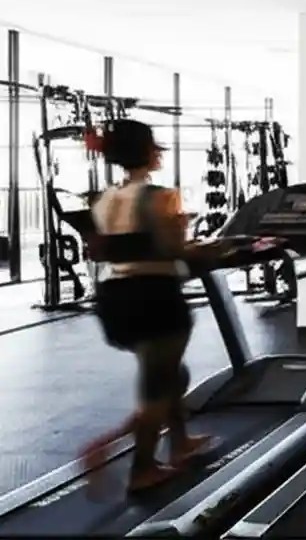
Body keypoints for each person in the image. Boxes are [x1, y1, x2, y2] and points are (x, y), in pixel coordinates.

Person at [79, 120, 221, 491]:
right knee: (157, 387)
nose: (159, 152)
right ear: (144, 152)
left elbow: (107, 249)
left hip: (116, 297)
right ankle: (138, 467)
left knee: (171, 375)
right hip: (155, 297)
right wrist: (222, 247)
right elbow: (177, 251)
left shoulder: (103, 199)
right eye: (155, 146)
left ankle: (180, 442)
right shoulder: (162, 197)